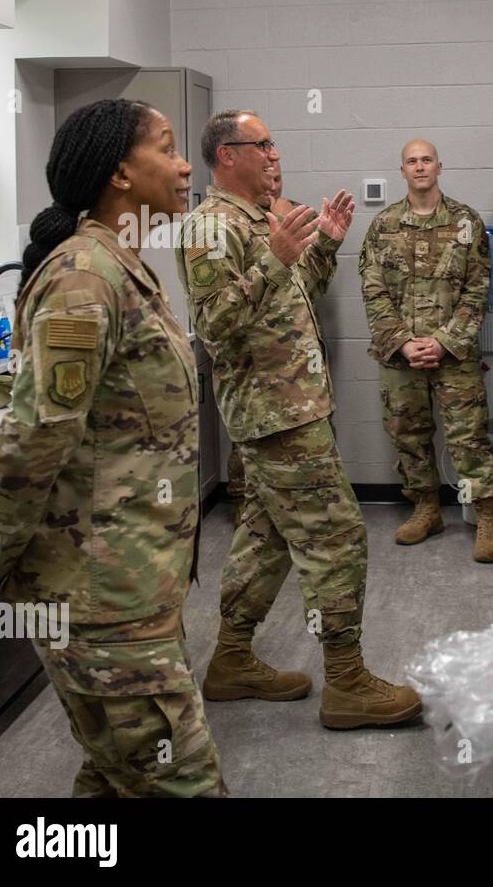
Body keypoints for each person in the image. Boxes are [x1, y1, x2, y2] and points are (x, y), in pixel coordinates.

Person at [0, 98, 225, 796]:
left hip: (133, 585)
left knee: (115, 776)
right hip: (99, 594)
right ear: (119, 173)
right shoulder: (84, 277)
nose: (182, 166)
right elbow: (33, 440)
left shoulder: (120, 264)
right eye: (167, 148)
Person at [177, 109, 421, 729]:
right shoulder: (210, 226)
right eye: (263, 144)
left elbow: (296, 291)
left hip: (294, 405)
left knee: (268, 539)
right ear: (227, 156)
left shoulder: (261, 219)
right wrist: (273, 259)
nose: (275, 154)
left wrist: (325, 244)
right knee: (337, 538)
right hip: (274, 413)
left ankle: (230, 660)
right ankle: (346, 684)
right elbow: (215, 329)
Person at [357, 139, 493, 562]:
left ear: (439, 166)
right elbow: (373, 290)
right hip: (399, 354)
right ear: (401, 170)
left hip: (453, 353)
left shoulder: (466, 223)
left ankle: (487, 515)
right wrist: (403, 342)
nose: (419, 167)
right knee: (408, 436)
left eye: (426, 160)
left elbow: (478, 290)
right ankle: (426, 508)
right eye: (411, 161)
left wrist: (442, 341)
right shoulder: (383, 225)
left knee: (468, 437)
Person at [224, 163, 302, 523]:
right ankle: (247, 505)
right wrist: (277, 253)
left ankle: (272, 516)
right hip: (253, 363)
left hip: (297, 351)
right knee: (251, 448)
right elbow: (219, 315)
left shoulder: (295, 216)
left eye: (277, 176)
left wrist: (324, 245)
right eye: (265, 171)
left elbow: (311, 283)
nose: (272, 180)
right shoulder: (221, 224)